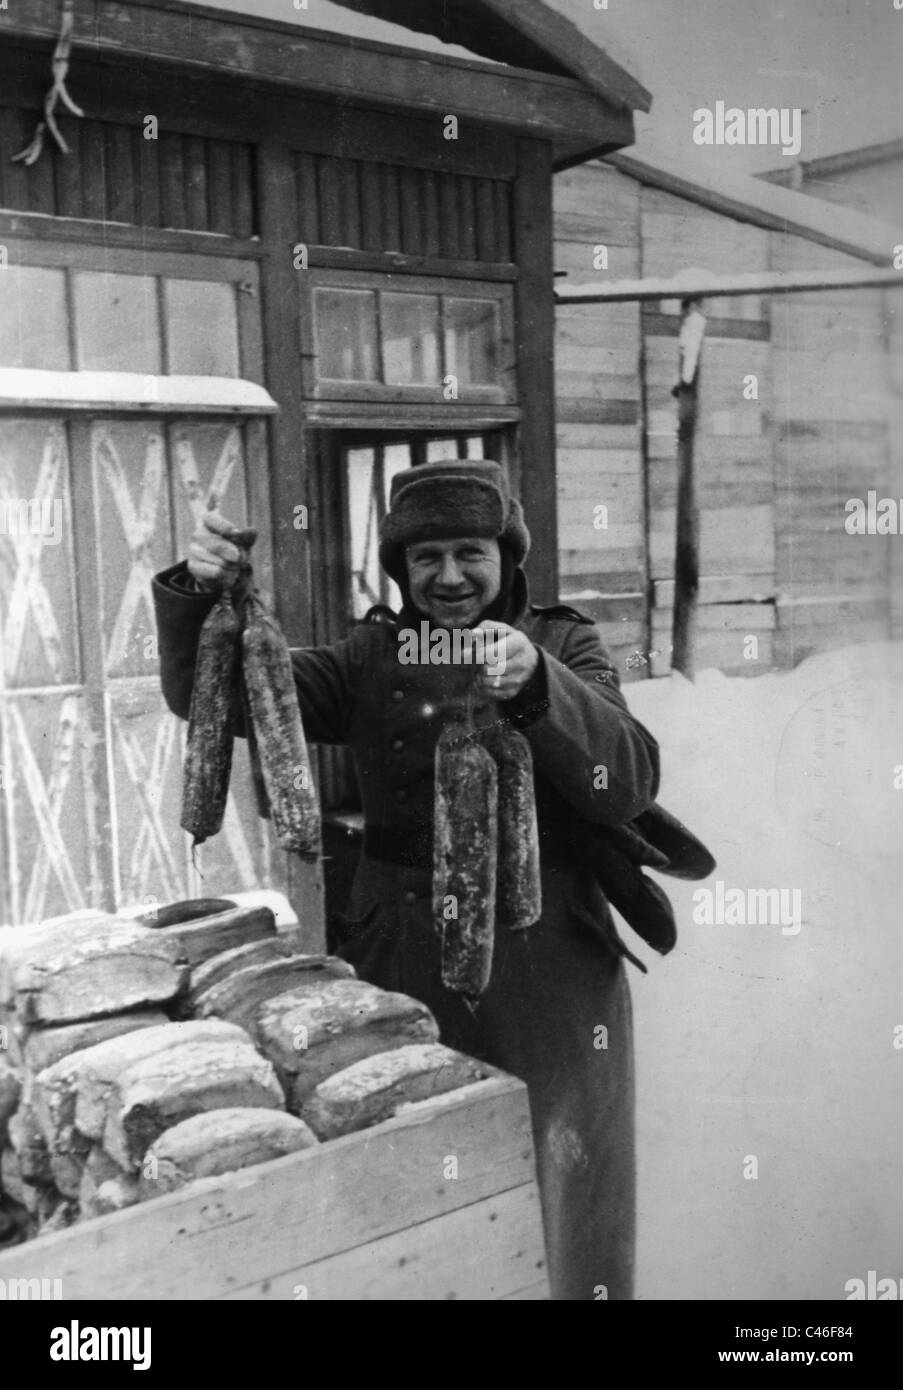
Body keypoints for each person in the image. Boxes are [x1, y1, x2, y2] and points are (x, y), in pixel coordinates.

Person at [152, 459, 660, 1300]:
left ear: (507, 557)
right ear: (400, 566)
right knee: (406, 1164)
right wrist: (200, 596)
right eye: (426, 558)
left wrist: (539, 683)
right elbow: (224, 699)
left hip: (542, 967)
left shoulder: (563, 642)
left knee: (547, 1172)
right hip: (398, 950)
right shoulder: (369, 653)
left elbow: (628, 778)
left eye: (471, 553)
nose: (449, 576)